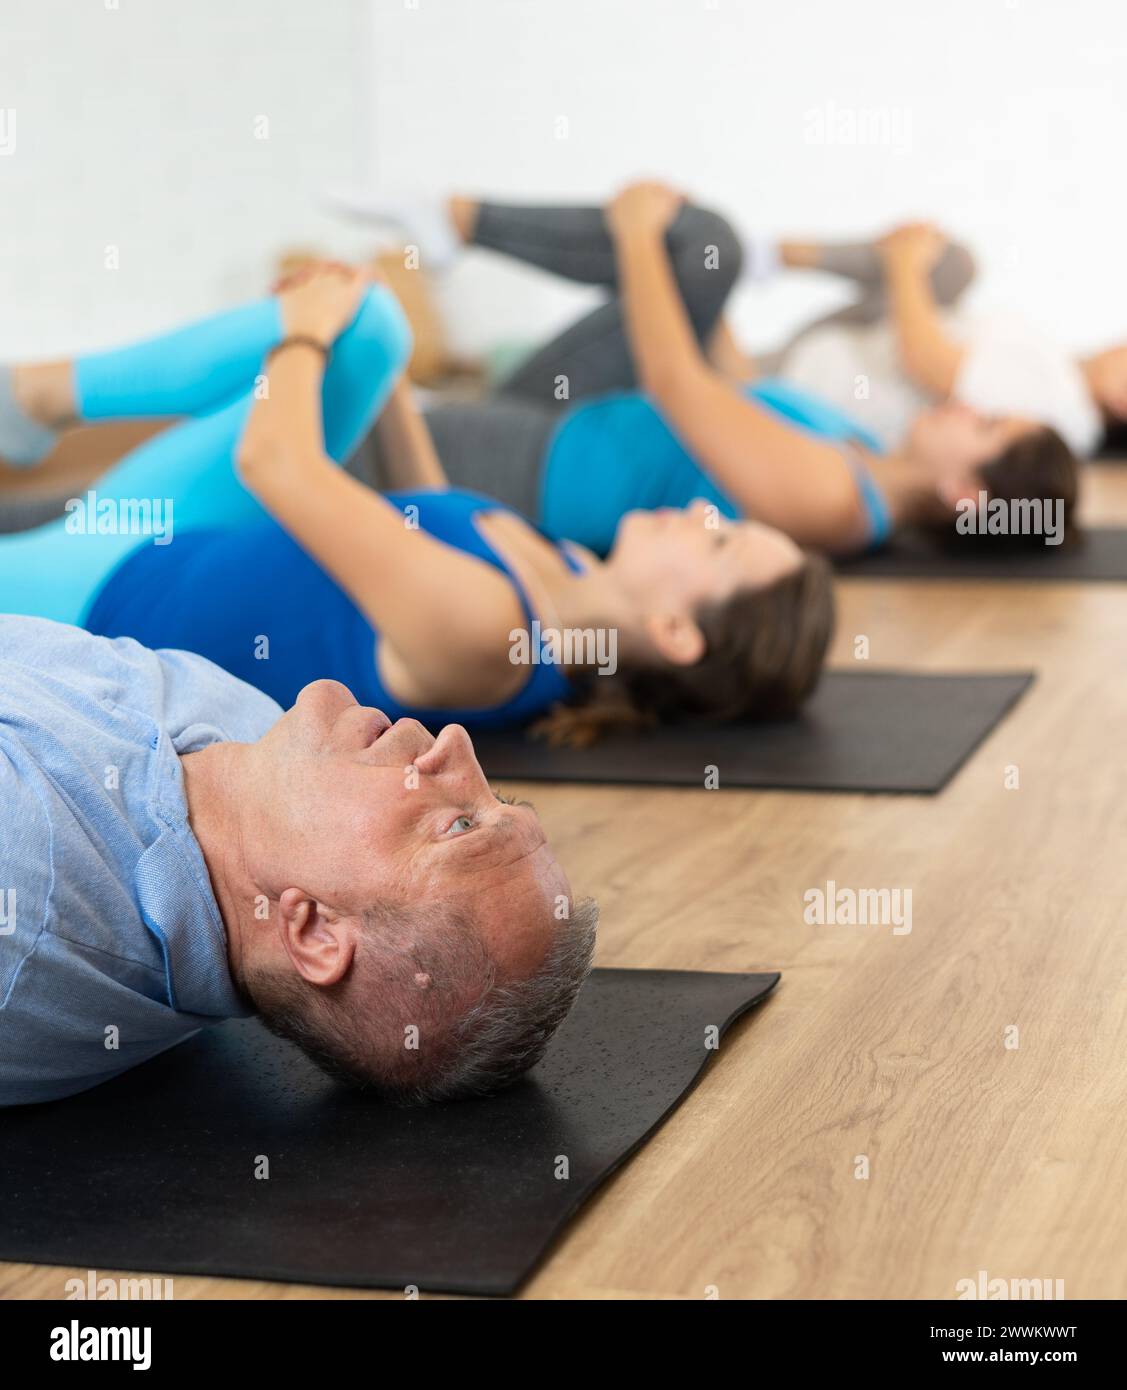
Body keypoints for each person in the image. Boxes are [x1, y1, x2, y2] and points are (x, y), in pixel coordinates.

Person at [0, 264, 834, 746]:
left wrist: (300, 336)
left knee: (340, 321)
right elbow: (424, 507)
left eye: (718, 545)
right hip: (180, 537)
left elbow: (273, 462)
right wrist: (381, 377)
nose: (700, 513)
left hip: (93, 603)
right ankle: (32, 400)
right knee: (373, 325)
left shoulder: (486, 634)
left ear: (677, 633)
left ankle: (31, 401)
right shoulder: (570, 573)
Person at [0, 615, 597, 1107]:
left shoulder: (27, 888)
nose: (458, 745)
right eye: (504, 801)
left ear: (313, 930)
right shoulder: (271, 759)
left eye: (460, 825)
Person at [338, 184, 1080, 555]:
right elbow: (726, 381)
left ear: (964, 494)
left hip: (529, 467)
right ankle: (451, 220)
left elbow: (678, 383)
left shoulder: (835, 501)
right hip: (567, 417)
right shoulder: (859, 446)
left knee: (343, 430)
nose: (962, 404)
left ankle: (459, 223)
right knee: (706, 248)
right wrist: (710, 289)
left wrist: (634, 239)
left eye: (981, 424)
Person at [717, 222, 1127, 461]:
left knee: (936, 262)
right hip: (852, 340)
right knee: (953, 265)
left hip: (812, 380)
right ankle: (766, 257)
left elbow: (927, 363)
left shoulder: (1058, 403)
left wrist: (904, 264)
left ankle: (719, 285)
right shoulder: (1061, 375)